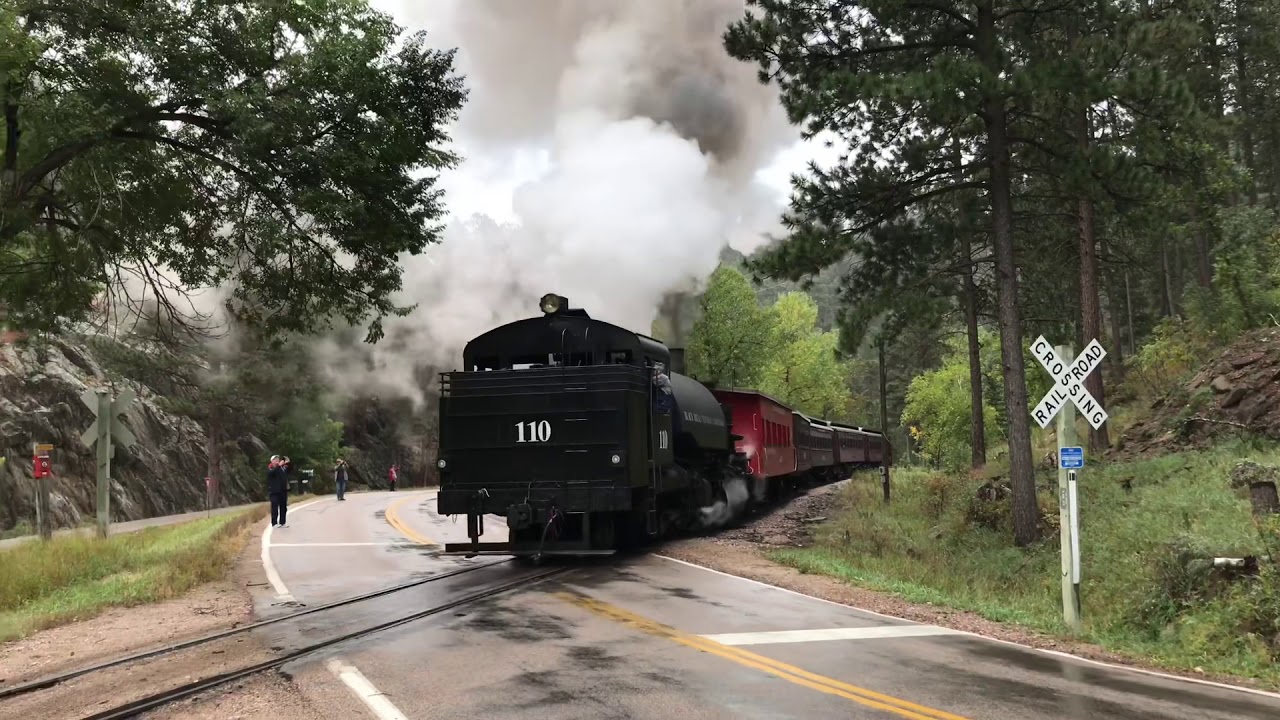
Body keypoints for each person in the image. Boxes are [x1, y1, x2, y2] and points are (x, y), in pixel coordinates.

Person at [268, 454, 289, 528]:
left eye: (278, 459)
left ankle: (282, 522)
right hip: (274, 491)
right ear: (272, 461)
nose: (277, 461)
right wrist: (278, 466)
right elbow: (271, 473)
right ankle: (274, 523)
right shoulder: (270, 468)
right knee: (274, 507)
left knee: (283, 507)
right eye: (275, 460)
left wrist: (287, 463)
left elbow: (288, 470)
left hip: (283, 491)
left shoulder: (281, 468)